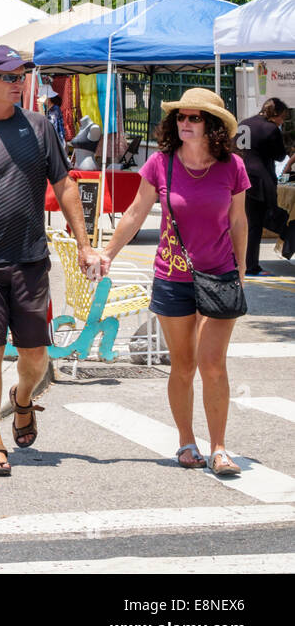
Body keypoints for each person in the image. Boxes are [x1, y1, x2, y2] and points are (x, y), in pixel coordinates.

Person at [0, 44, 99, 478]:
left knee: (36, 357)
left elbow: (64, 185)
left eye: (20, 76)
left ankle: (23, 399)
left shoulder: (40, 128)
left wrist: (84, 244)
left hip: (30, 259)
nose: (17, 83)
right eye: (8, 77)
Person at [99, 89, 249, 477]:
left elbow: (238, 221)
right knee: (182, 366)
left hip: (219, 275)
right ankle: (186, 441)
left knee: (212, 364)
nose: (186, 123)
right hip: (173, 276)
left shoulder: (231, 166)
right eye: (182, 116)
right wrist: (107, 254)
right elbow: (134, 213)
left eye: (195, 118)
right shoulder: (160, 164)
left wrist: (241, 270)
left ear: (212, 125)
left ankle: (219, 448)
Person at [235, 97, 289, 277]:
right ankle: (251, 266)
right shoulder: (271, 129)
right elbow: (281, 156)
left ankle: (237, 260)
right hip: (259, 181)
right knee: (255, 225)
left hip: (239, 177)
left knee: (240, 222)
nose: (282, 121)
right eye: (282, 117)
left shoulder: (244, 123)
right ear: (275, 115)